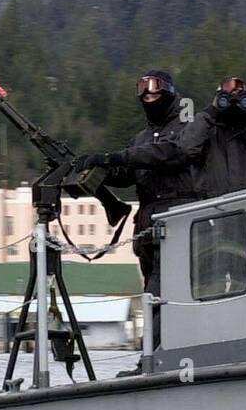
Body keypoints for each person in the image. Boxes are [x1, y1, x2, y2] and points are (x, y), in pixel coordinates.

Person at [72, 69, 198, 295]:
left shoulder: (186, 128)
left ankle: (157, 331)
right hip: (147, 229)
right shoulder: (143, 137)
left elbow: (168, 154)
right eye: (145, 98)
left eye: (154, 96)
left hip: (178, 222)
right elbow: (128, 174)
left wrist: (113, 157)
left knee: (166, 296)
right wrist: (99, 170)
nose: (149, 101)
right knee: (152, 293)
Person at [180, 77, 246, 199]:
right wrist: (210, 112)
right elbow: (187, 148)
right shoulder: (207, 132)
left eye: (243, 99)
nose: (234, 103)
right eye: (225, 99)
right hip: (213, 206)